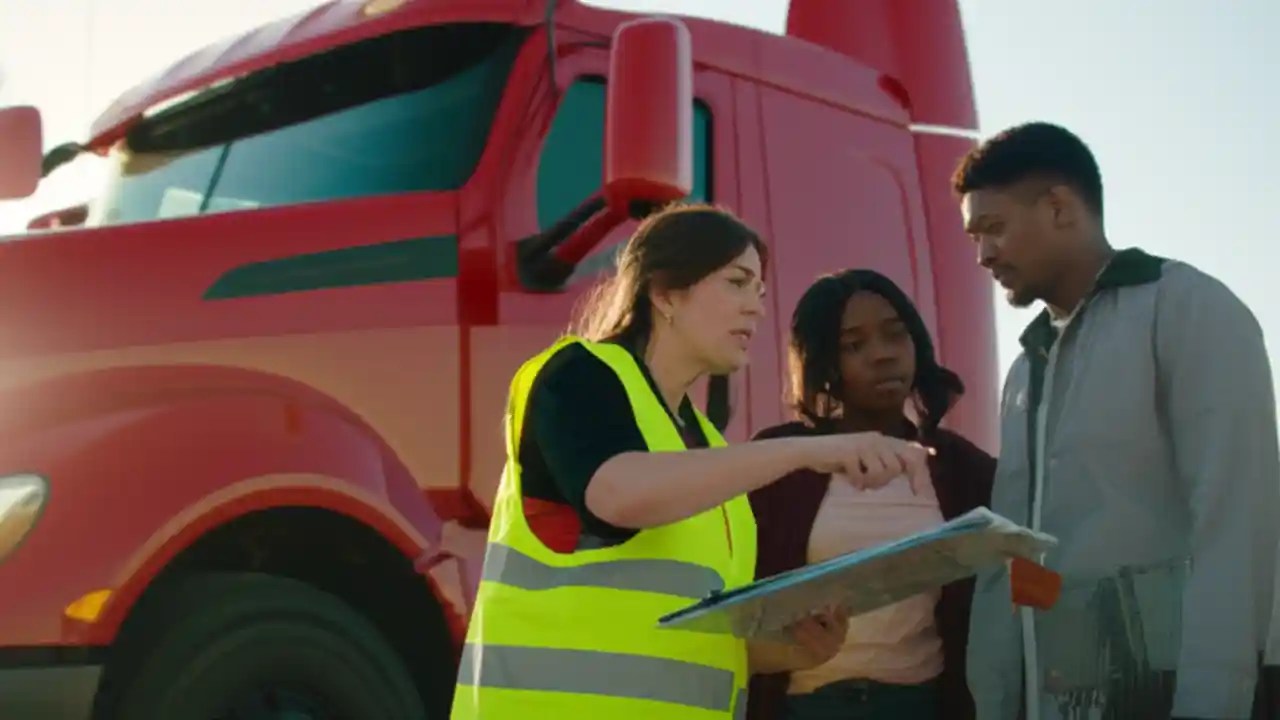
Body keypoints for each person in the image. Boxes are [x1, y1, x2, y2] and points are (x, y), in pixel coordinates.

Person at [450, 203, 933, 720]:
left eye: (760, 292)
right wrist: (807, 449)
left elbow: (687, 636)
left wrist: (792, 651)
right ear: (665, 294)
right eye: (737, 283)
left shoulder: (706, 447)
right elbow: (616, 495)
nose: (756, 308)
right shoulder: (578, 373)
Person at [952, 121, 1280, 720]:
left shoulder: (1190, 309)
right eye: (975, 237)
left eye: (993, 228)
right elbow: (1015, 563)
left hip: (1169, 696)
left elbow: (1236, 527)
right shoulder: (1027, 368)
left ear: (1058, 208)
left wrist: (1211, 706)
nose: (983, 255)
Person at [745, 269, 995, 720]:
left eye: (895, 336)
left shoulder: (966, 470)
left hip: (922, 703)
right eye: (853, 345)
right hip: (802, 705)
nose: (882, 356)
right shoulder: (780, 461)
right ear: (823, 364)